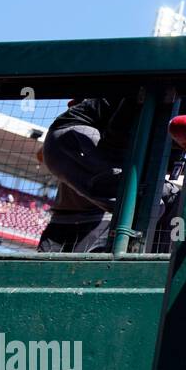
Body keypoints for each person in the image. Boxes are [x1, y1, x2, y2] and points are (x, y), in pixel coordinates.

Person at [37, 96, 140, 253]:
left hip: (96, 218)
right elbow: (40, 155)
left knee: (85, 272)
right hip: (62, 216)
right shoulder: (74, 133)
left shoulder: (105, 131)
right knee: (44, 271)